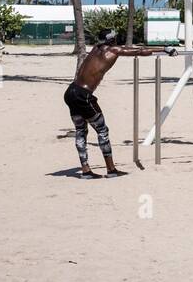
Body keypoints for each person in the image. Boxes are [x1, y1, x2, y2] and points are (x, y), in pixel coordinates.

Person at [64, 30, 174, 178]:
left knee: (80, 130)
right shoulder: (114, 50)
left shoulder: (95, 48)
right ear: (112, 40)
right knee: (102, 130)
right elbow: (140, 51)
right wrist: (164, 49)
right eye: (115, 37)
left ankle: (86, 170)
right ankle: (111, 170)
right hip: (83, 96)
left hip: (71, 91)